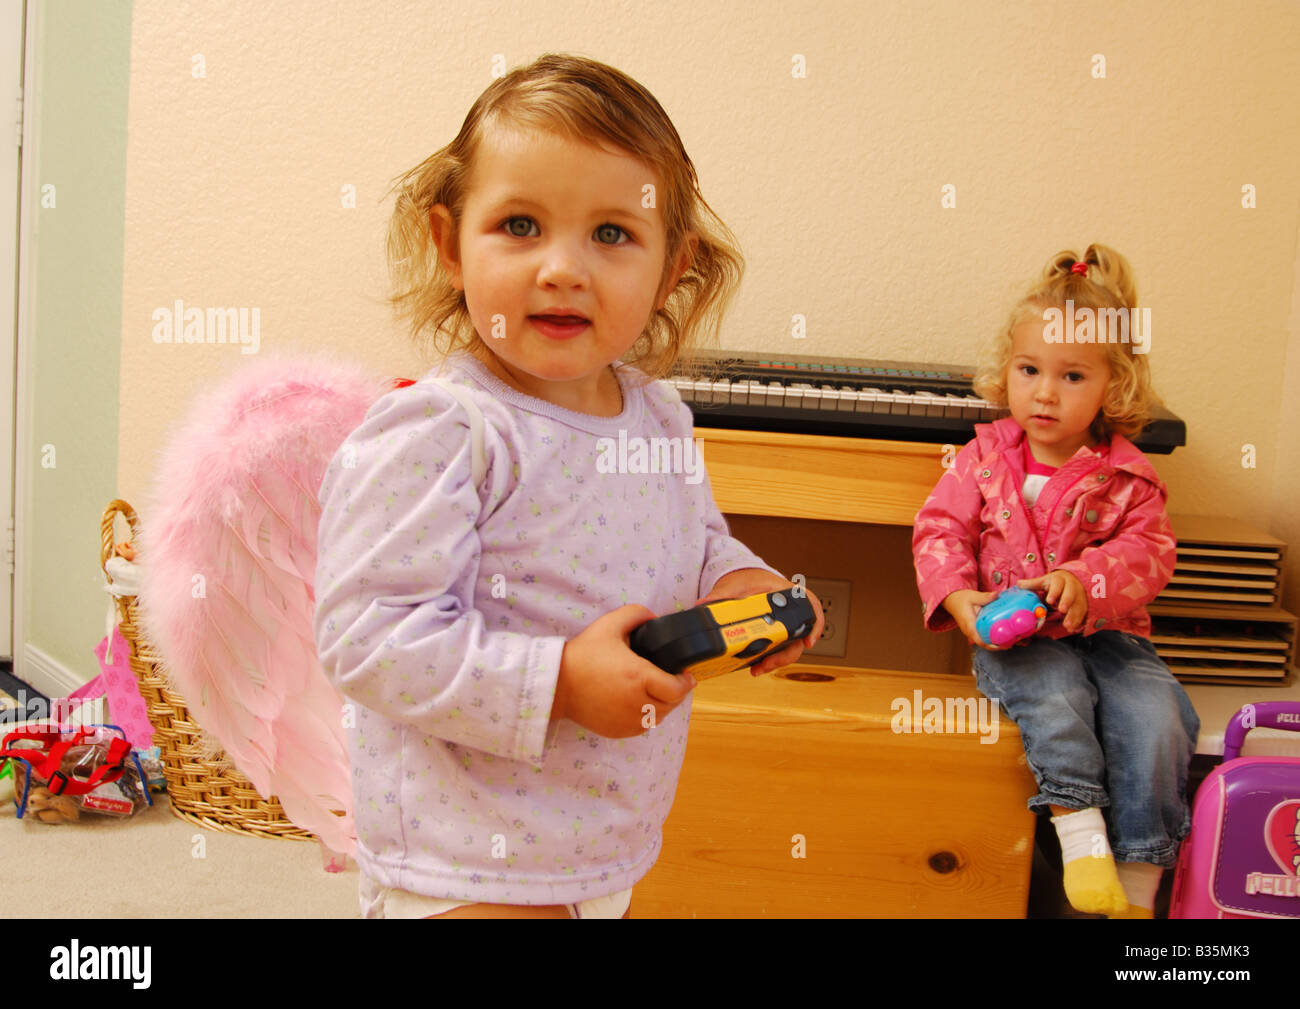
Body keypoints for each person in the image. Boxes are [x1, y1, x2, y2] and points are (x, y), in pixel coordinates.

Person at [313, 53, 823, 919]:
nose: (562, 268)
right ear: (450, 245)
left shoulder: (657, 416)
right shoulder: (444, 429)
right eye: (520, 225)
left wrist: (739, 581)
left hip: (599, 838)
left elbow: (694, 540)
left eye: (612, 234)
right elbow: (368, 638)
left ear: (672, 267)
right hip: (463, 852)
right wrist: (558, 682)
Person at [911, 244, 1199, 918]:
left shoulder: (1127, 475)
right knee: (1057, 695)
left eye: (1072, 376)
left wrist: (1082, 578)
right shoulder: (983, 458)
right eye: (1029, 369)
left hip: (1113, 637)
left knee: (1158, 716)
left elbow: (1150, 553)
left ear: (1112, 386)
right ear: (1007, 369)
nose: (1045, 391)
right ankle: (1080, 833)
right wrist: (957, 595)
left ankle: (1139, 875)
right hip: (1022, 642)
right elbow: (939, 530)